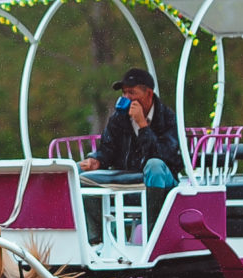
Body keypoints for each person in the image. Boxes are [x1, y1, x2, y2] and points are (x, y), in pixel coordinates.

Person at [78, 68, 183, 244]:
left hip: (162, 183)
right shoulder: (119, 118)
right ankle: (99, 241)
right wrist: (97, 160)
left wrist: (143, 126)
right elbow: (108, 149)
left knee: (154, 165)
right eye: (124, 92)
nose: (126, 97)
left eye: (132, 93)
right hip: (126, 181)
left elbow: (166, 156)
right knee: (83, 177)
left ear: (148, 93)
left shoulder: (167, 117)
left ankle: (153, 237)